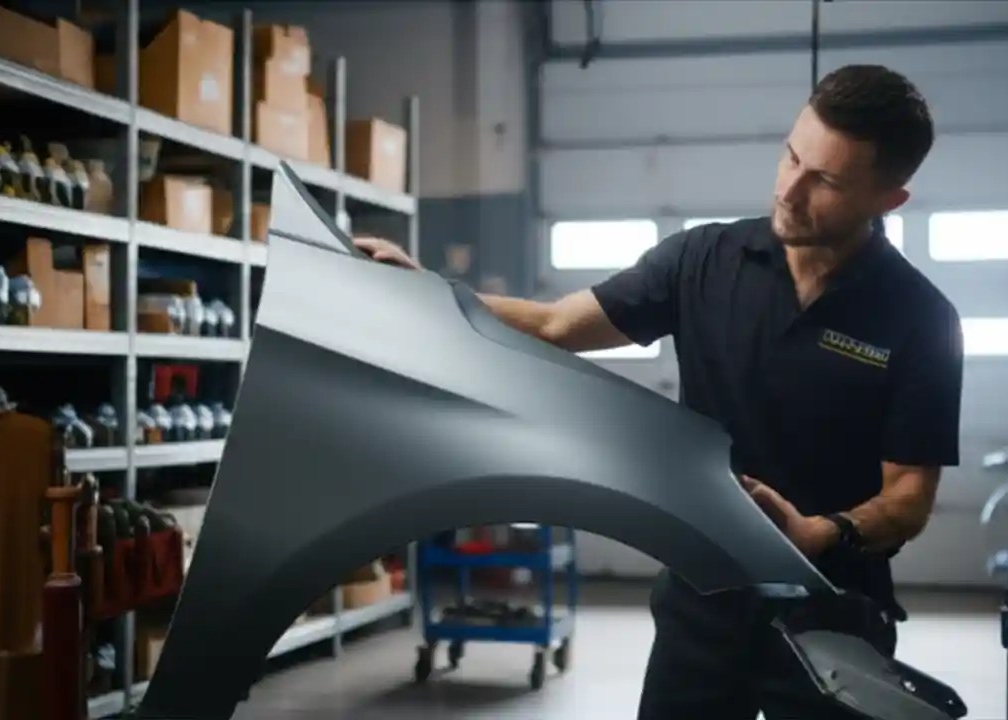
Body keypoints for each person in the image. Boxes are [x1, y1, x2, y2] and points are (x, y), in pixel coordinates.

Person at [355, 64, 964, 720]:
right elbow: (557, 323)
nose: (790, 187)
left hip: (835, 613)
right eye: (791, 155)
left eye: (827, 180)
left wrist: (820, 533)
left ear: (888, 199)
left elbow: (908, 500)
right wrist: (430, 292)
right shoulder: (701, 261)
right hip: (704, 602)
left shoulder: (920, 318)